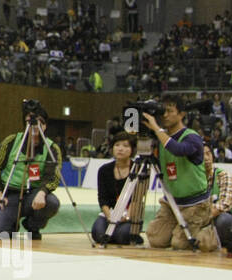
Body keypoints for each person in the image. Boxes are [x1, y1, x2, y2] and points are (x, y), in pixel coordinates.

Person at [142, 95, 218, 252]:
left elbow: (178, 150)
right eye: (163, 111)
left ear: (182, 114)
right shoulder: (162, 138)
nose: (165, 115)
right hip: (172, 202)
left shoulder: (192, 136)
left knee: (180, 244)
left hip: (195, 204)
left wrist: (156, 129)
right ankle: (181, 228)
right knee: (156, 239)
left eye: (170, 111)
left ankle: (207, 231)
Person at [0, 102, 61, 240]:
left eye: (39, 122)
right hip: (10, 195)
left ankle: (33, 226)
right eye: (30, 121)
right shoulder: (11, 141)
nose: (34, 125)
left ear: (45, 126)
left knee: (52, 202)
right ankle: (11, 223)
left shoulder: (52, 148)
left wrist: (42, 192)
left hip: (34, 194)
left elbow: (53, 177)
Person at [89, 131, 142, 245]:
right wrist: (110, 217)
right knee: (97, 233)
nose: (120, 149)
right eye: (117, 145)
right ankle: (112, 234)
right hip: (110, 214)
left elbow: (137, 199)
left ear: (132, 150)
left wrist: (127, 217)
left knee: (122, 236)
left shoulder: (138, 170)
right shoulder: (104, 170)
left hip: (129, 215)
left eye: (125, 146)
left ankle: (120, 234)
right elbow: (102, 198)